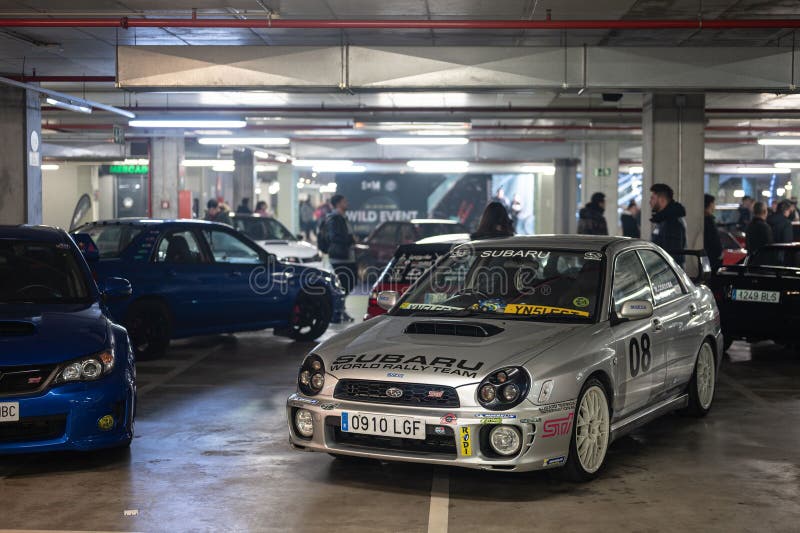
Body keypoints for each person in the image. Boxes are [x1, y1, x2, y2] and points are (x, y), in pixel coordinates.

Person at [326, 194, 356, 322]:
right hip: (340, 257)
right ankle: (337, 312)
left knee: (350, 283)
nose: (347, 203)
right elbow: (334, 237)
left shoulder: (343, 218)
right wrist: (350, 239)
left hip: (348, 256)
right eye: (344, 201)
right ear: (338, 204)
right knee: (344, 285)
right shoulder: (335, 218)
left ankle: (340, 310)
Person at [649, 183, 687, 264]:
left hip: (667, 273)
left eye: (652, 198)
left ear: (662, 200)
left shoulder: (672, 222)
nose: (650, 202)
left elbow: (672, 255)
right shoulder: (664, 219)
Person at [704, 194, 723, 271]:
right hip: (712, 259)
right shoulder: (709, 220)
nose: (714, 205)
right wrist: (719, 254)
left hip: (708, 258)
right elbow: (714, 239)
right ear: (710, 204)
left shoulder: (703, 219)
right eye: (714, 203)